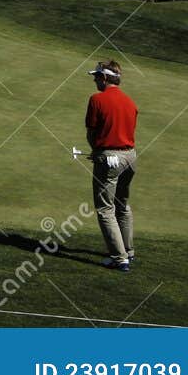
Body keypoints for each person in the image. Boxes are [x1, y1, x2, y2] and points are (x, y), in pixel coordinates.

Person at [85, 60, 138, 271]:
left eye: (97, 77)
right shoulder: (130, 101)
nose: (95, 80)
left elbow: (92, 132)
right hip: (131, 157)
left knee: (105, 209)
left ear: (105, 78)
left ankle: (120, 258)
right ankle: (129, 251)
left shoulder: (97, 99)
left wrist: (98, 152)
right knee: (122, 205)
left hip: (110, 159)